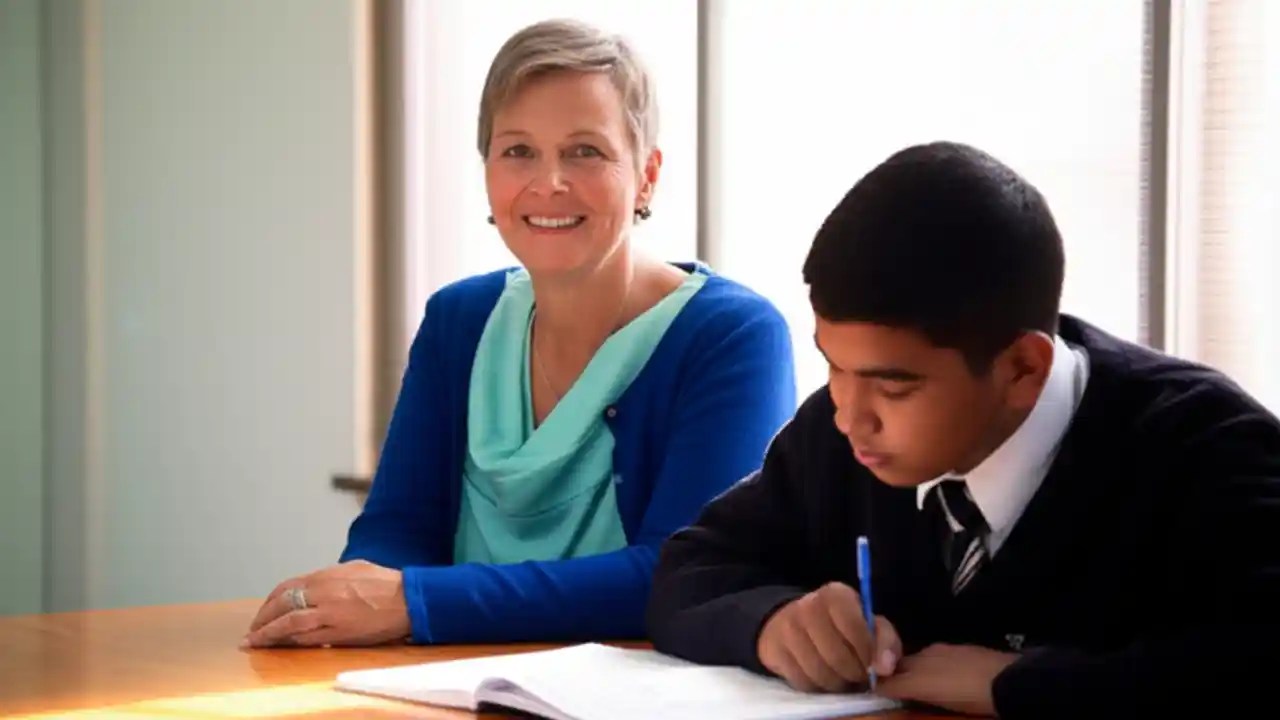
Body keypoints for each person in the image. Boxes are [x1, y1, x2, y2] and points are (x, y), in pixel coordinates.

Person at [645, 141, 1280, 718]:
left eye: (894, 386)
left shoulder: (1212, 450)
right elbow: (689, 569)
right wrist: (772, 621)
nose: (849, 413)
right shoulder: (839, 433)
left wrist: (1020, 685)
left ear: (1023, 369)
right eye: (833, 366)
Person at [242, 19, 795, 649]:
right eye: (518, 151)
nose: (548, 182)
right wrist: (362, 596)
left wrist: (417, 602)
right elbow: (394, 532)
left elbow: (687, 577)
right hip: (446, 684)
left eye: (585, 151)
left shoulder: (731, 336)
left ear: (647, 174)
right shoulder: (458, 320)